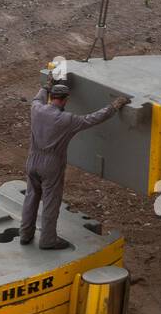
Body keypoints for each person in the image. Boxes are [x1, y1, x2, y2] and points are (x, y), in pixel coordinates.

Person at [21, 77, 128, 249]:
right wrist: (114, 106)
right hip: (51, 165)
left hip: (32, 159)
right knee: (50, 201)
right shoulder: (67, 120)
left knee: (31, 196)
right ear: (65, 100)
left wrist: (48, 84)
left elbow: (39, 95)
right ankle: (48, 240)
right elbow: (93, 118)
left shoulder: (36, 108)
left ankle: (25, 234)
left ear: (51, 97)